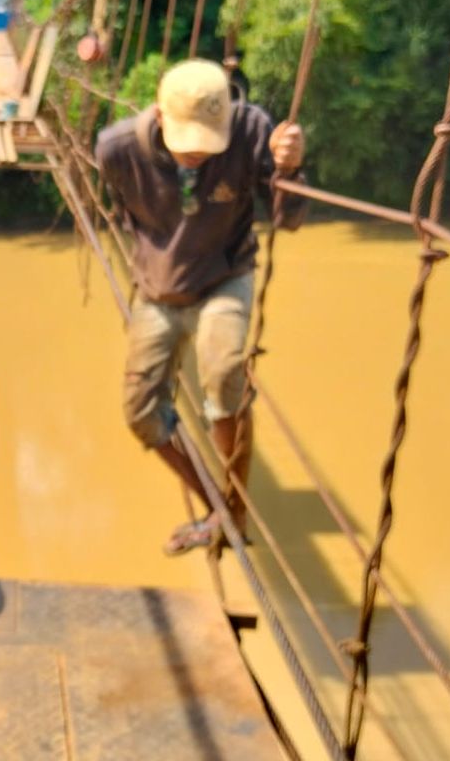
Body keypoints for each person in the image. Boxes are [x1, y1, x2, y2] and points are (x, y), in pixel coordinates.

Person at [95, 58, 307, 555]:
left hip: (224, 277)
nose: (195, 156)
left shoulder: (254, 130)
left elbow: (288, 219)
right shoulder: (117, 150)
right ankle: (212, 498)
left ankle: (232, 512)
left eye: (206, 144)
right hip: (158, 289)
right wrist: (159, 265)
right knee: (141, 414)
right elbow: (129, 216)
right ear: (159, 117)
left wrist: (289, 170)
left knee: (224, 373)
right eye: (184, 144)